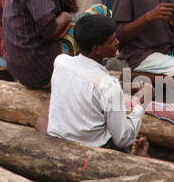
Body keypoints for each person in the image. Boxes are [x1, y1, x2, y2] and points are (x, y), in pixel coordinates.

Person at [47, 14, 149, 153]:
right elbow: (122, 138)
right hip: (92, 151)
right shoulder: (108, 84)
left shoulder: (60, 62)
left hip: (59, 138)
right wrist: (141, 106)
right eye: (112, 40)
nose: (117, 42)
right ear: (96, 49)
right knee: (127, 145)